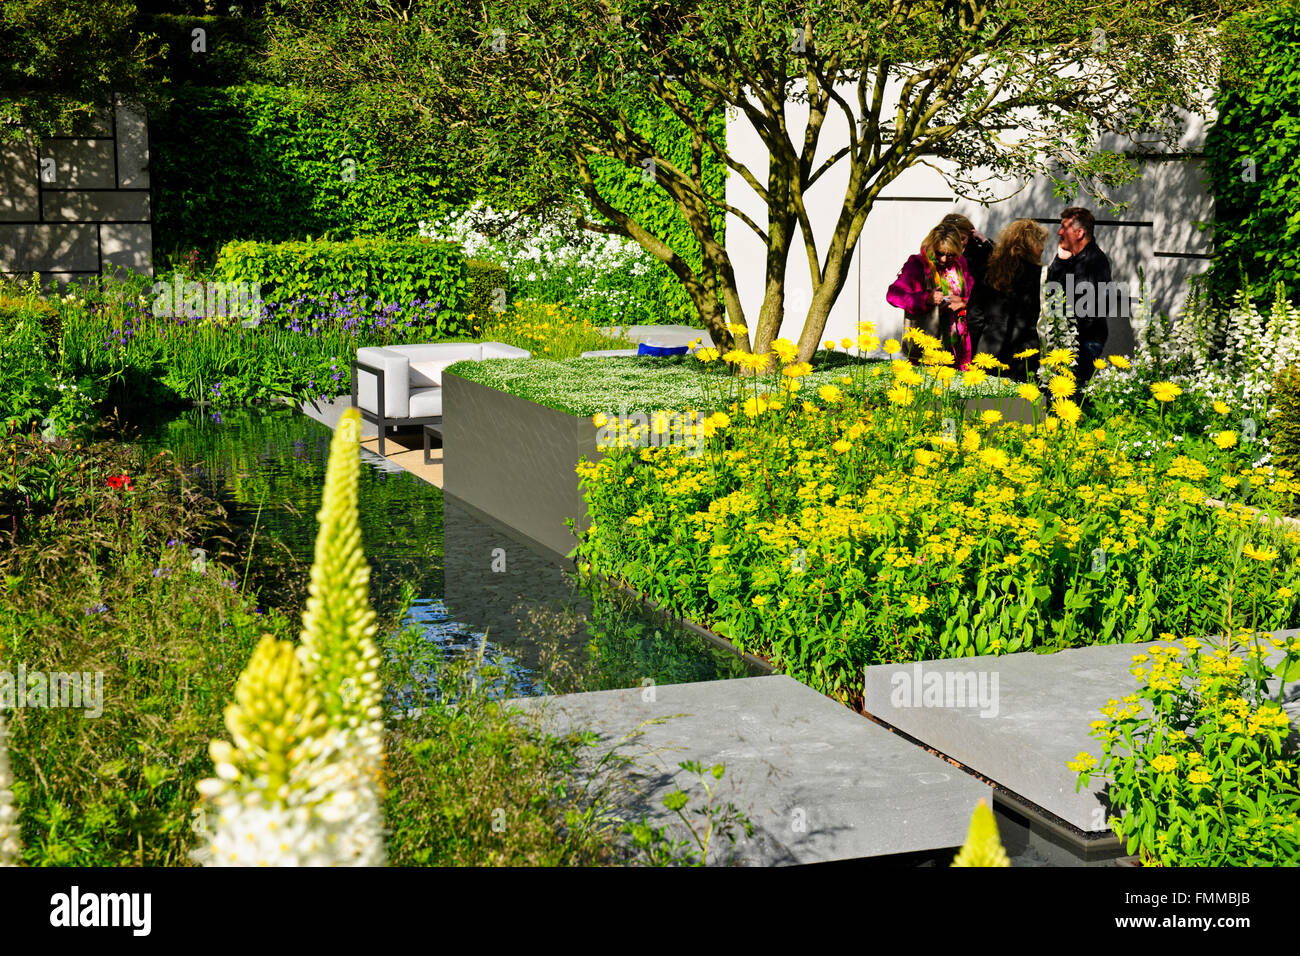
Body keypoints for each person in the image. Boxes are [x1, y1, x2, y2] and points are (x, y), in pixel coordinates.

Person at [968, 219, 1048, 381]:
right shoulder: (1041, 276)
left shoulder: (988, 272)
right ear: (1032, 246)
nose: (1043, 249)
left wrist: (978, 342)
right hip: (1026, 354)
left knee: (984, 404)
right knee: (1020, 405)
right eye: (1040, 244)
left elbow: (974, 316)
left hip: (989, 348)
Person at [886, 223, 974, 369]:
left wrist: (963, 302)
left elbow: (976, 295)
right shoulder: (917, 264)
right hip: (929, 343)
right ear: (932, 246)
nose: (944, 259)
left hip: (960, 345)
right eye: (939, 253)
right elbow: (893, 295)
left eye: (950, 255)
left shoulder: (960, 263)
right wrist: (925, 298)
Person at [1045, 206, 1112, 389]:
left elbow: (1095, 306)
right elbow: (1049, 290)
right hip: (1067, 337)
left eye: (1064, 228)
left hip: (1085, 340)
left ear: (1080, 232)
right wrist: (1060, 261)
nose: (1059, 232)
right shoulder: (1068, 257)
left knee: (1076, 391)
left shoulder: (1096, 262)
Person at [941, 213, 994, 291]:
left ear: (970, 235)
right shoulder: (940, 253)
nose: (960, 243)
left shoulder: (978, 251)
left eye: (963, 239)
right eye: (955, 239)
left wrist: (985, 242)